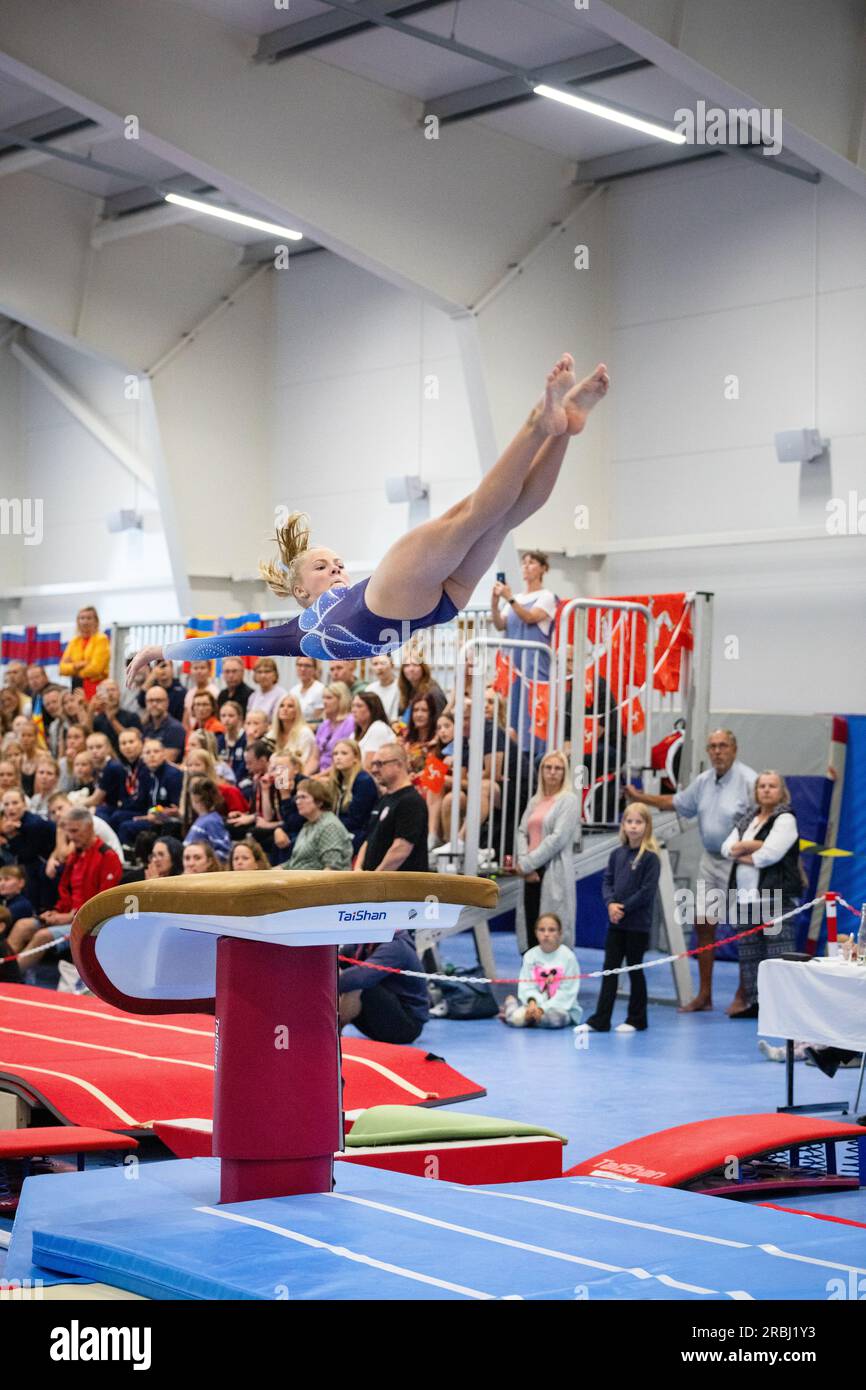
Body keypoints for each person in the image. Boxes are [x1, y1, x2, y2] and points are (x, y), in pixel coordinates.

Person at [127, 355, 610, 676]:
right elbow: (226, 644)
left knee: (502, 517)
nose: (336, 567)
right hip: (405, 604)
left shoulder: (348, 591)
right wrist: (160, 650)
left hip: (413, 602)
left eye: (337, 561)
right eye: (321, 566)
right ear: (299, 589)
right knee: (470, 516)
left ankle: (565, 426)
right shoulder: (295, 633)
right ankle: (537, 423)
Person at [626, 729, 757, 1014]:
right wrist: (641, 798)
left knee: (745, 930)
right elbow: (676, 802)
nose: (717, 752)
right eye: (712, 747)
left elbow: (767, 818)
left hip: (740, 862)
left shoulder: (750, 780)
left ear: (734, 749)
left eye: (723, 746)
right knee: (703, 924)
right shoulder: (704, 781)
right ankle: (705, 995)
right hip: (709, 860)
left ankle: (743, 993)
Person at [7, 807, 122, 985]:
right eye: (68, 832)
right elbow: (65, 891)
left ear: (90, 827)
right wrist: (55, 912)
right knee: (23, 925)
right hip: (67, 916)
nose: (71, 836)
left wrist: (70, 916)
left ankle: (8, 976)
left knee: (42, 936)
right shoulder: (75, 855)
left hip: (87, 923)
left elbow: (103, 903)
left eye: (75, 831)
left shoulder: (108, 857)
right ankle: (5, 965)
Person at [721, 770, 801, 1019]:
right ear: (756, 791)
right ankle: (755, 1003)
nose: (766, 790)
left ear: (781, 791)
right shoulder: (748, 819)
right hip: (745, 898)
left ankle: (780, 1009)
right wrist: (754, 846)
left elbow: (770, 855)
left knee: (777, 956)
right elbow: (726, 849)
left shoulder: (785, 819)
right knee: (749, 955)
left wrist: (746, 849)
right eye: (762, 786)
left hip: (775, 897)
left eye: (772, 786)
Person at [579, 803, 661, 1034]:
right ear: (623, 825)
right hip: (616, 923)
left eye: (639, 822)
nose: (634, 827)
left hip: (637, 925)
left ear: (647, 826)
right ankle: (601, 1019)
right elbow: (607, 882)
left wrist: (623, 907)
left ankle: (637, 1019)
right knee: (610, 970)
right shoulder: (617, 854)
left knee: (635, 969)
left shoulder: (651, 858)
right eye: (630, 822)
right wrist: (610, 904)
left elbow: (647, 891)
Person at [491, 550, 558, 740]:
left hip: (535, 667)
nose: (526, 566)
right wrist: (495, 603)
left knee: (532, 715)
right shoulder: (516, 599)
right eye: (524, 563)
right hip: (513, 667)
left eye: (532, 562)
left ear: (543, 568)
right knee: (512, 712)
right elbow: (499, 624)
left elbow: (530, 617)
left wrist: (509, 598)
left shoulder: (547, 597)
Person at [515, 750, 579, 948]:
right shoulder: (535, 800)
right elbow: (521, 831)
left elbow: (558, 838)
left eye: (558, 768)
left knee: (551, 934)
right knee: (531, 929)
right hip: (530, 873)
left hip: (551, 870)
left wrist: (527, 863)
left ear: (564, 773)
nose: (552, 772)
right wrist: (526, 863)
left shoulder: (569, 800)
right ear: (541, 771)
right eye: (548, 768)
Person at [338, 931, 429, 1043]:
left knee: (356, 982)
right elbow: (338, 960)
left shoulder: (397, 946)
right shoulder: (365, 941)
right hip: (381, 1021)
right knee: (346, 976)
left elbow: (358, 978)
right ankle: (331, 1029)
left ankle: (334, 1030)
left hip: (407, 1027)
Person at [355, 743, 428, 872]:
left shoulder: (411, 801)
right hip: (375, 883)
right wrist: (358, 869)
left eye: (379, 764)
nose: (374, 770)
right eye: (373, 764)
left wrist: (376, 878)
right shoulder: (384, 799)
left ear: (398, 765)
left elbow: (401, 848)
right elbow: (369, 839)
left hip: (400, 887)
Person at [501, 913, 582, 1028]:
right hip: (534, 1006)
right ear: (536, 933)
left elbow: (568, 991)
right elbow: (526, 985)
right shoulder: (529, 956)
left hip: (561, 1008)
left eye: (552, 930)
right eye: (542, 930)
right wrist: (532, 1003)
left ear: (560, 933)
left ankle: (531, 1018)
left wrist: (542, 1008)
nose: (546, 934)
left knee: (554, 1020)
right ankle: (511, 1004)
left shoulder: (568, 957)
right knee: (515, 1020)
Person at [314, 738, 378, 854]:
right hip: (340, 831)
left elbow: (356, 820)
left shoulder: (363, 781)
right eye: (335, 754)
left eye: (344, 753)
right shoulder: (338, 780)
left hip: (359, 836)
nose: (338, 757)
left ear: (356, 758)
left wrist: (328, 827)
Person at [282, 779, 353, 871]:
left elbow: (333, 868)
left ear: (319, 801)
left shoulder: (329, 826)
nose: (298, 802)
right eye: (297, 798)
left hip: (315, 883)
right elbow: (294, 862)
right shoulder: (308, 825)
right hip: (300, 879)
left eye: (303, 797)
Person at [59, 606, 110, 700]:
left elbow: (96, 669)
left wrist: (73, 668)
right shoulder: (74, 641)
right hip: (76, 686)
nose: (85, 621)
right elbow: (62, 669)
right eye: (82, 618)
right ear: (78, 621)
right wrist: (77, 666)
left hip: (96, 688)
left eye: (89, 618)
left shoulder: (101, 639)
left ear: (96, 621)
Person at [183, 777, 232, 864]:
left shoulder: (211, 821)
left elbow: (224, 851)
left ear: (196, 799)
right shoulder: (203, 819)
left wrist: (207, 863)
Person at [90, 679, 142, 754]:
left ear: (119, 693)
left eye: (113, 690)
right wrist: (90, 710)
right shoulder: (97, 719)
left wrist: (112, 720)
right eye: (107, 691)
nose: (110, 694)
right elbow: (88, 736)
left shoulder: (132, 717)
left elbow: (131, 740)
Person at [270, 693, 318, 773]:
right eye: (281, 706)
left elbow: (302, 764)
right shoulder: (272, 733)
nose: (285, 709)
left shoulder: (304, 733)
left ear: (297, 711)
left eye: (290, 706)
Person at [140, 685, 186, 764]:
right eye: (150, 701)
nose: (154, 704)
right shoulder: (145, 726)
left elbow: (168, 760)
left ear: (167, 703)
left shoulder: (175, 728)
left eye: (158, 700)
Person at [315, 683, 355, 772]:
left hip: (340, 772)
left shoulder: (351, 722)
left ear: (341, 700)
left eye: (329, 698)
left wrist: (317, 777)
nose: (324, 702)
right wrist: (306, 775)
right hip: (321, 772)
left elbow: (348, 759)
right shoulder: (324, 725)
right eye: (323, 698)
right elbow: (314, 758)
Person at [351, 691, 393, 772]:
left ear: (372, 709)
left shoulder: (378, 728)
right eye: (353, 706)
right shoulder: (355, 733)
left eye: (359, 706)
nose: (354, 710)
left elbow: (368, 767)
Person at [397, 656, 445, 723]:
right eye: (407, 665)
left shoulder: (433, 692)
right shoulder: (407, 690)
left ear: (423, 668)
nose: (411, 669)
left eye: (415, 665)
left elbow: (440, 721)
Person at [138, 657, 187, 723]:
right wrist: (152, 676)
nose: (162, 669)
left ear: (172, 668)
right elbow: (141, 701)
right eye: (158, 665)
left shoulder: (181, 691)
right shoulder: (152, 689)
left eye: (164, 665)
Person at [216, 700, 248, 789]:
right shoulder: (219, 740)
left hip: (241, 782)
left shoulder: (246, 739)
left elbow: (245, 767)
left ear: (240, 718)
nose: (226, 719)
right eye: (223, 716)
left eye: (231, 716)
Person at [362, 654, 400, 724]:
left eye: (383, 663)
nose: (379, 667)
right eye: (375, 664)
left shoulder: (401, 687)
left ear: (392, 665)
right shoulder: (369, 689)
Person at [182, 660, 220, 728]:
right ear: (190, 671)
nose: (199, 671)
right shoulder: (189, 693)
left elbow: (218, 716)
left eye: (202, 668)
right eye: (195, 668)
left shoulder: (215, 692)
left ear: (209, 670)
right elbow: (186, 720)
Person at [289, 656, 325, 725]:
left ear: (314, 669)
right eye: (299, 665)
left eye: (307, 666)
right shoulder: (293, 690)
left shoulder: (320, 689)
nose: (302, 669)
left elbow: (317, 720)